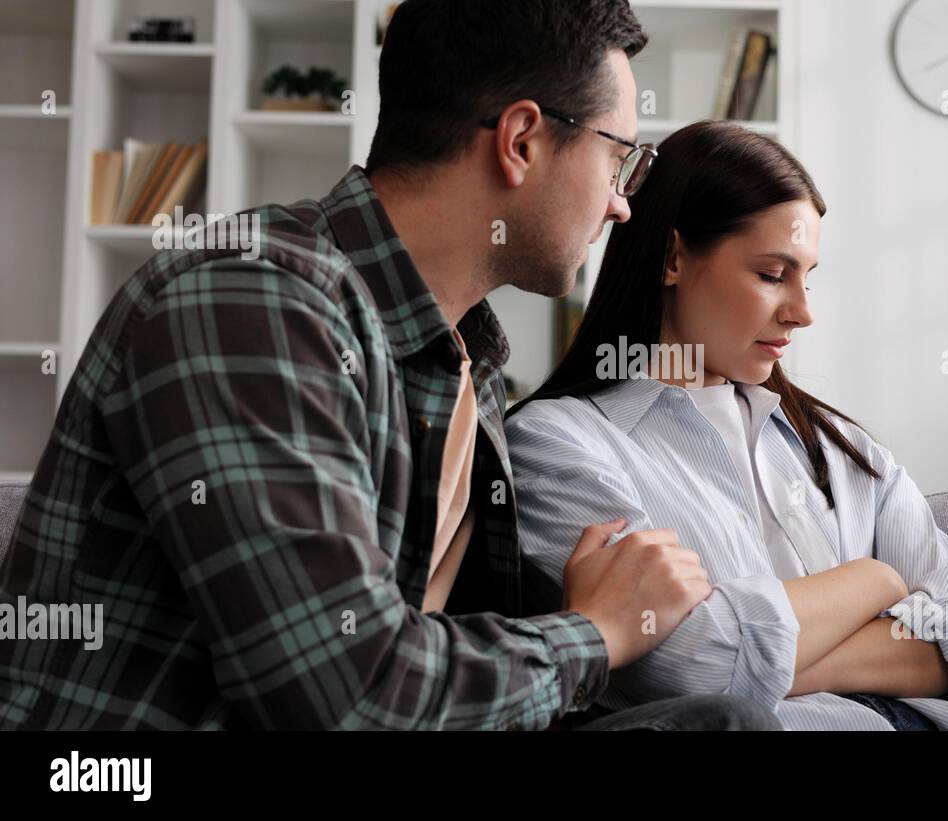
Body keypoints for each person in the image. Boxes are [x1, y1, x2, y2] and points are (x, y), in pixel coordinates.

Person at [0, 0, 781, 731]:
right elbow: (344, 694)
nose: (623, 205)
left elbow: (457, 640)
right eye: (622, 159)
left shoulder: (463, 359)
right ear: (522, 142)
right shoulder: (251, 298)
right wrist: (594, 632)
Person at [505, 121, 948, 730]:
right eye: (772, 274)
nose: (803, 312)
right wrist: (874, 581)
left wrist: (777, 664)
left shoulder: (843, 448)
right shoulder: (559, 442)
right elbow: (684, 671)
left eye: (809, 277)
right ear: (673, 258)